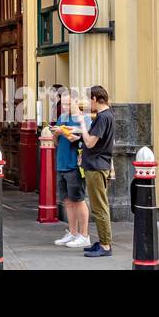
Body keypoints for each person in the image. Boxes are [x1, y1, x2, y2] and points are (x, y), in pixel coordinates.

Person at [50, 88, 91, 249]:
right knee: (67, 201)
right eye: (63, 104)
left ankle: (84, 235)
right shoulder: (61, 117)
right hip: (61, 163)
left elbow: (85, 142)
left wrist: (65, 132)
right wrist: (55, 133)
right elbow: (56, 143)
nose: (65, 107)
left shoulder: (85, 119)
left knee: (78, 200)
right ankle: (72, 233)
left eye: (68, 103)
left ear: (76, 102)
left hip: (75, 165)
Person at [77, 85, 115, 258]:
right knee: (100, 205)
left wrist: (82, 125)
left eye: (89, 99)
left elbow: (91, 142)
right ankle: (102, 241)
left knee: (99, 207)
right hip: (98, 164)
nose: (88, 103)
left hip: (97, 166)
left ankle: (105, 245)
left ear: (94, 98)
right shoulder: (107, 116)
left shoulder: (103, 117)